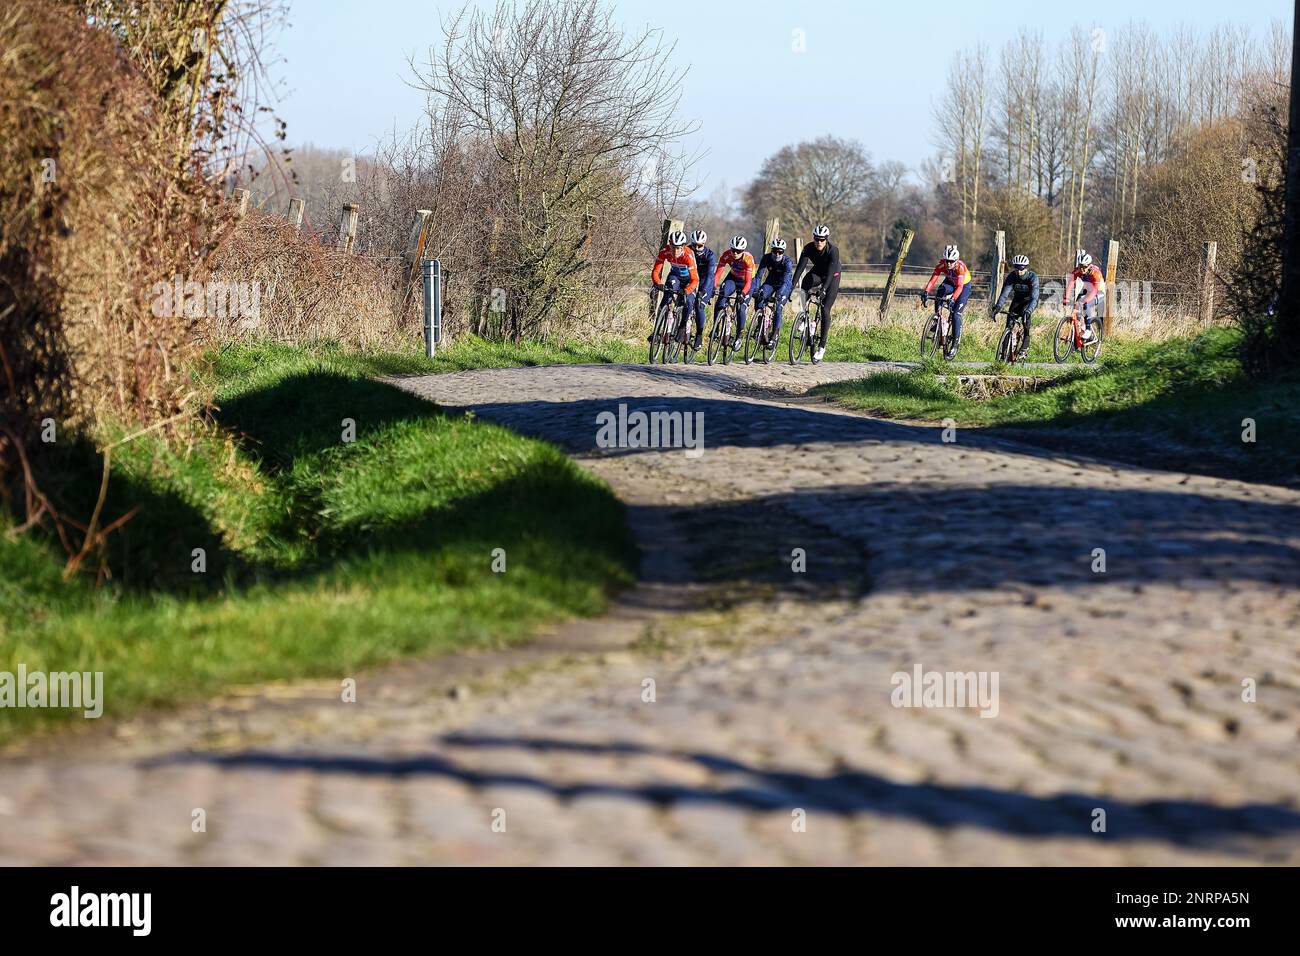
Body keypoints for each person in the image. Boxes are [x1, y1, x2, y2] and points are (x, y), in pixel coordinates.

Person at [790, 224, 841, 363]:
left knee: (825, 309)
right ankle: (802, 317)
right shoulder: (808, 248)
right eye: (817, 239)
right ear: (813, 238)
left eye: (822, 239)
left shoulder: (833, 251)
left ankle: (821, 347)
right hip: (818, 272)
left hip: (832, 276)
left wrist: (823, 290)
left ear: (826, 239)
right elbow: (799, 269)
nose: (819, 242)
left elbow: (830, 274)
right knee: (805, 282)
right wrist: (791, 287)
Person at [748, 238, 795, 357]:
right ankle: (760, 322)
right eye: (775, 251)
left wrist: (779, 294)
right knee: (759, 296)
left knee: (778, 306)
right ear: (771, 250)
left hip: (784, 285)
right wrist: (756, 290)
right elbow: (759, 276)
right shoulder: (767, 258)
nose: (777, 254)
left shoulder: (787, 262)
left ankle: (775, 335)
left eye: (780, 252)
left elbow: (785, 282)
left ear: (783, 252)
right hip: (770, 282)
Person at [649, 230, 699, 342]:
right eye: (673, 247)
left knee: (689, 302)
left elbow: (695, 279)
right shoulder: (665, 251)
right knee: (666, 299)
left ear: (683, 247)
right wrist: (658, 283)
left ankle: (682, 327)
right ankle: (656, 332)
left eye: (678, 248)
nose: (675, 251)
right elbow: (655, 271)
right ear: (669, 245)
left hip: (689, 280)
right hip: (675, 276)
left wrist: (687, 291)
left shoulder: (688, 255)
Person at [921, 244, 972, 351]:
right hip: (950, 281)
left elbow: (959, 286)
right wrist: (926, 291)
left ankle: (955, 342)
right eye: (946, 261)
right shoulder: (941, 265)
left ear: (956, 261)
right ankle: (937, 318)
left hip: (963, 285)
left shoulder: (960, 268)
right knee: (940, 291)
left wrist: (953, 298)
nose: (948, 263)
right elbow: (933, 278)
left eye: (951, 261)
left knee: (956, 314)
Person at [991, 254, 1040, 357]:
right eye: (1016, 268)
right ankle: (1004, 354)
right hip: (1017, 301)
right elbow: (1004, 294)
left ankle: (1025, 347)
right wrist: (998, 306)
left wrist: (1029, 311)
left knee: (1026, 323)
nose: (1018, 272)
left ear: (1026, 268)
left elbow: (1035, 298)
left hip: (1028, 302)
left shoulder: (1032, 277)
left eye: (1021, 269)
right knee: (1009, 325)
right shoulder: (1012, 276)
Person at [712, 235, 756, 344]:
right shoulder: (726, 255)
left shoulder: (748, 259)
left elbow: (748, 282)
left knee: (741, 307)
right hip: (733, 278)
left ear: (743, 250)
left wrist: (743, 294)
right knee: (721, 298)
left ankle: (740, 334)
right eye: (733, 250)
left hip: (747, 281)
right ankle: (716, 330)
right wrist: (712, 287)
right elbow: (718, 273)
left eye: (738, 251)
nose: (735, 253)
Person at [1063, 249, 1106, 343]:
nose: (1081, 269)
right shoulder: (1078, 271)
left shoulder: (1095, 273)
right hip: (1087, 290)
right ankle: (1076, 337)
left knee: (1086, 304)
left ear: (1089, 266)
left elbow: (1094, 291)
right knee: (1076, 308)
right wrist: (1065, 298)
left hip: (1098, 292)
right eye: (1080, 266)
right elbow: (1070, 284)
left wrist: (1083, 301)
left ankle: (1088, 330)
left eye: (1084, 267)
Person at [687, 230, 717, 351]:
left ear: (704, 244)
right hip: (691, 279)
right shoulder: (687, 250)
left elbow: (710, 275)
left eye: (700, 246)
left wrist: (703, 290)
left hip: (705, 282)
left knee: (699, 306)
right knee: (685, 302)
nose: (697, 248)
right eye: (694, 245)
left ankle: (699, 335)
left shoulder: (710, 255)